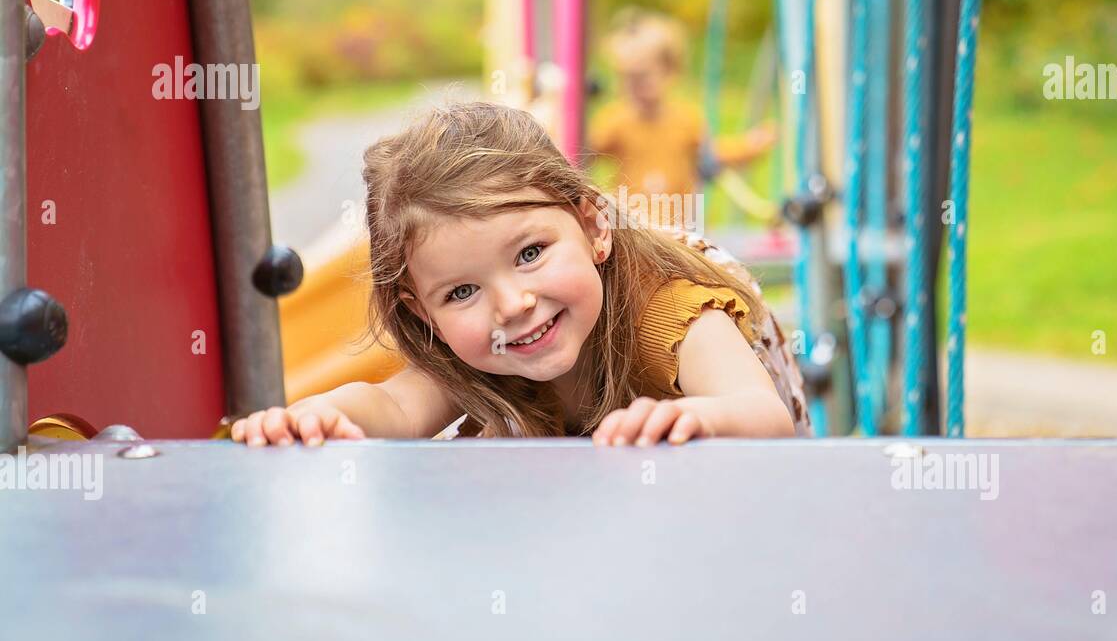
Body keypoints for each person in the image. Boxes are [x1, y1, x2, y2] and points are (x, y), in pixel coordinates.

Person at [232, 99, 808, 445]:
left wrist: (691, 419)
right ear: (420, 309)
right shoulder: (477, 350)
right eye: (461, 291)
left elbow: (764, 416)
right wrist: (319, 417)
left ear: (592, 227)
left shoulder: (671, 314)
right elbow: (396, 408)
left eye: (530, 254)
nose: (510, 305)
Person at [587, 8, 775, 228]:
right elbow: (583, 152)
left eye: (643, 77)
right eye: (627, 78)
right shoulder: (615, 122)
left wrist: (749, 145)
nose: (635, 87)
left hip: (679, 225)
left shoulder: (686, 120)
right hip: (633, 227)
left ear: (669, 71)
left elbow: (713, 154)